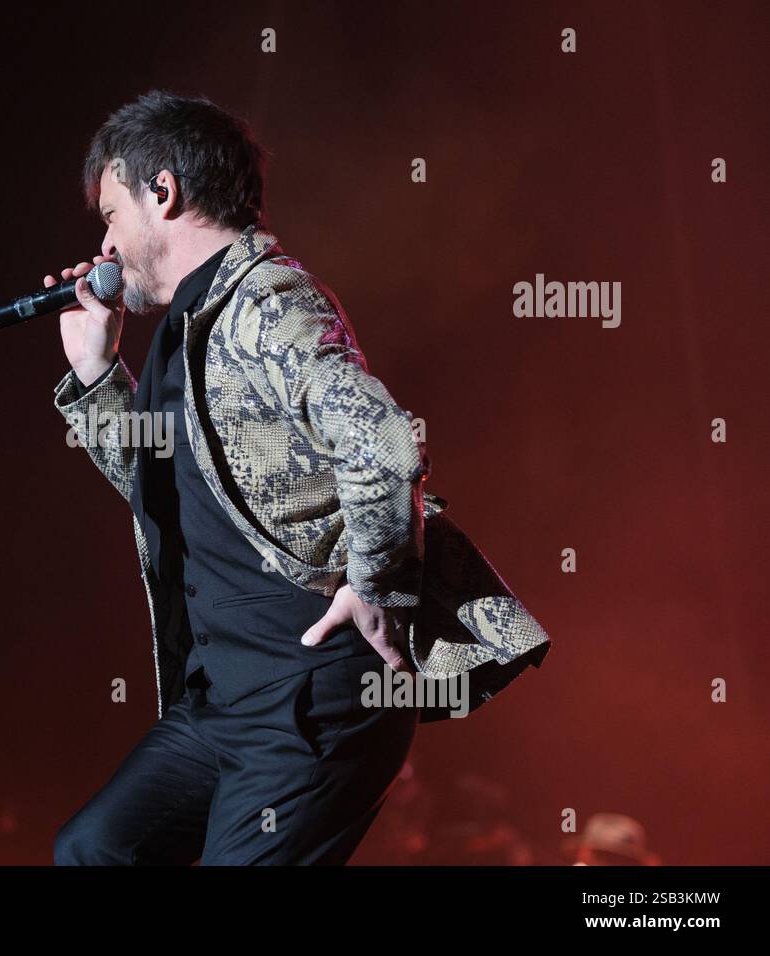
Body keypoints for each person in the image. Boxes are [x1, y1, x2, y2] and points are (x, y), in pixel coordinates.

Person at [47, 90, 550, 865]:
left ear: (163, 191)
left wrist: (377, 582)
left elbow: (383, 439)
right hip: (221, 705)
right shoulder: (186, 327)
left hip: (310, 692)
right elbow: (166, 504)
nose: (105, 245)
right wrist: (95, 374)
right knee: (96, 849)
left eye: (110, 215)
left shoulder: (265, 299)